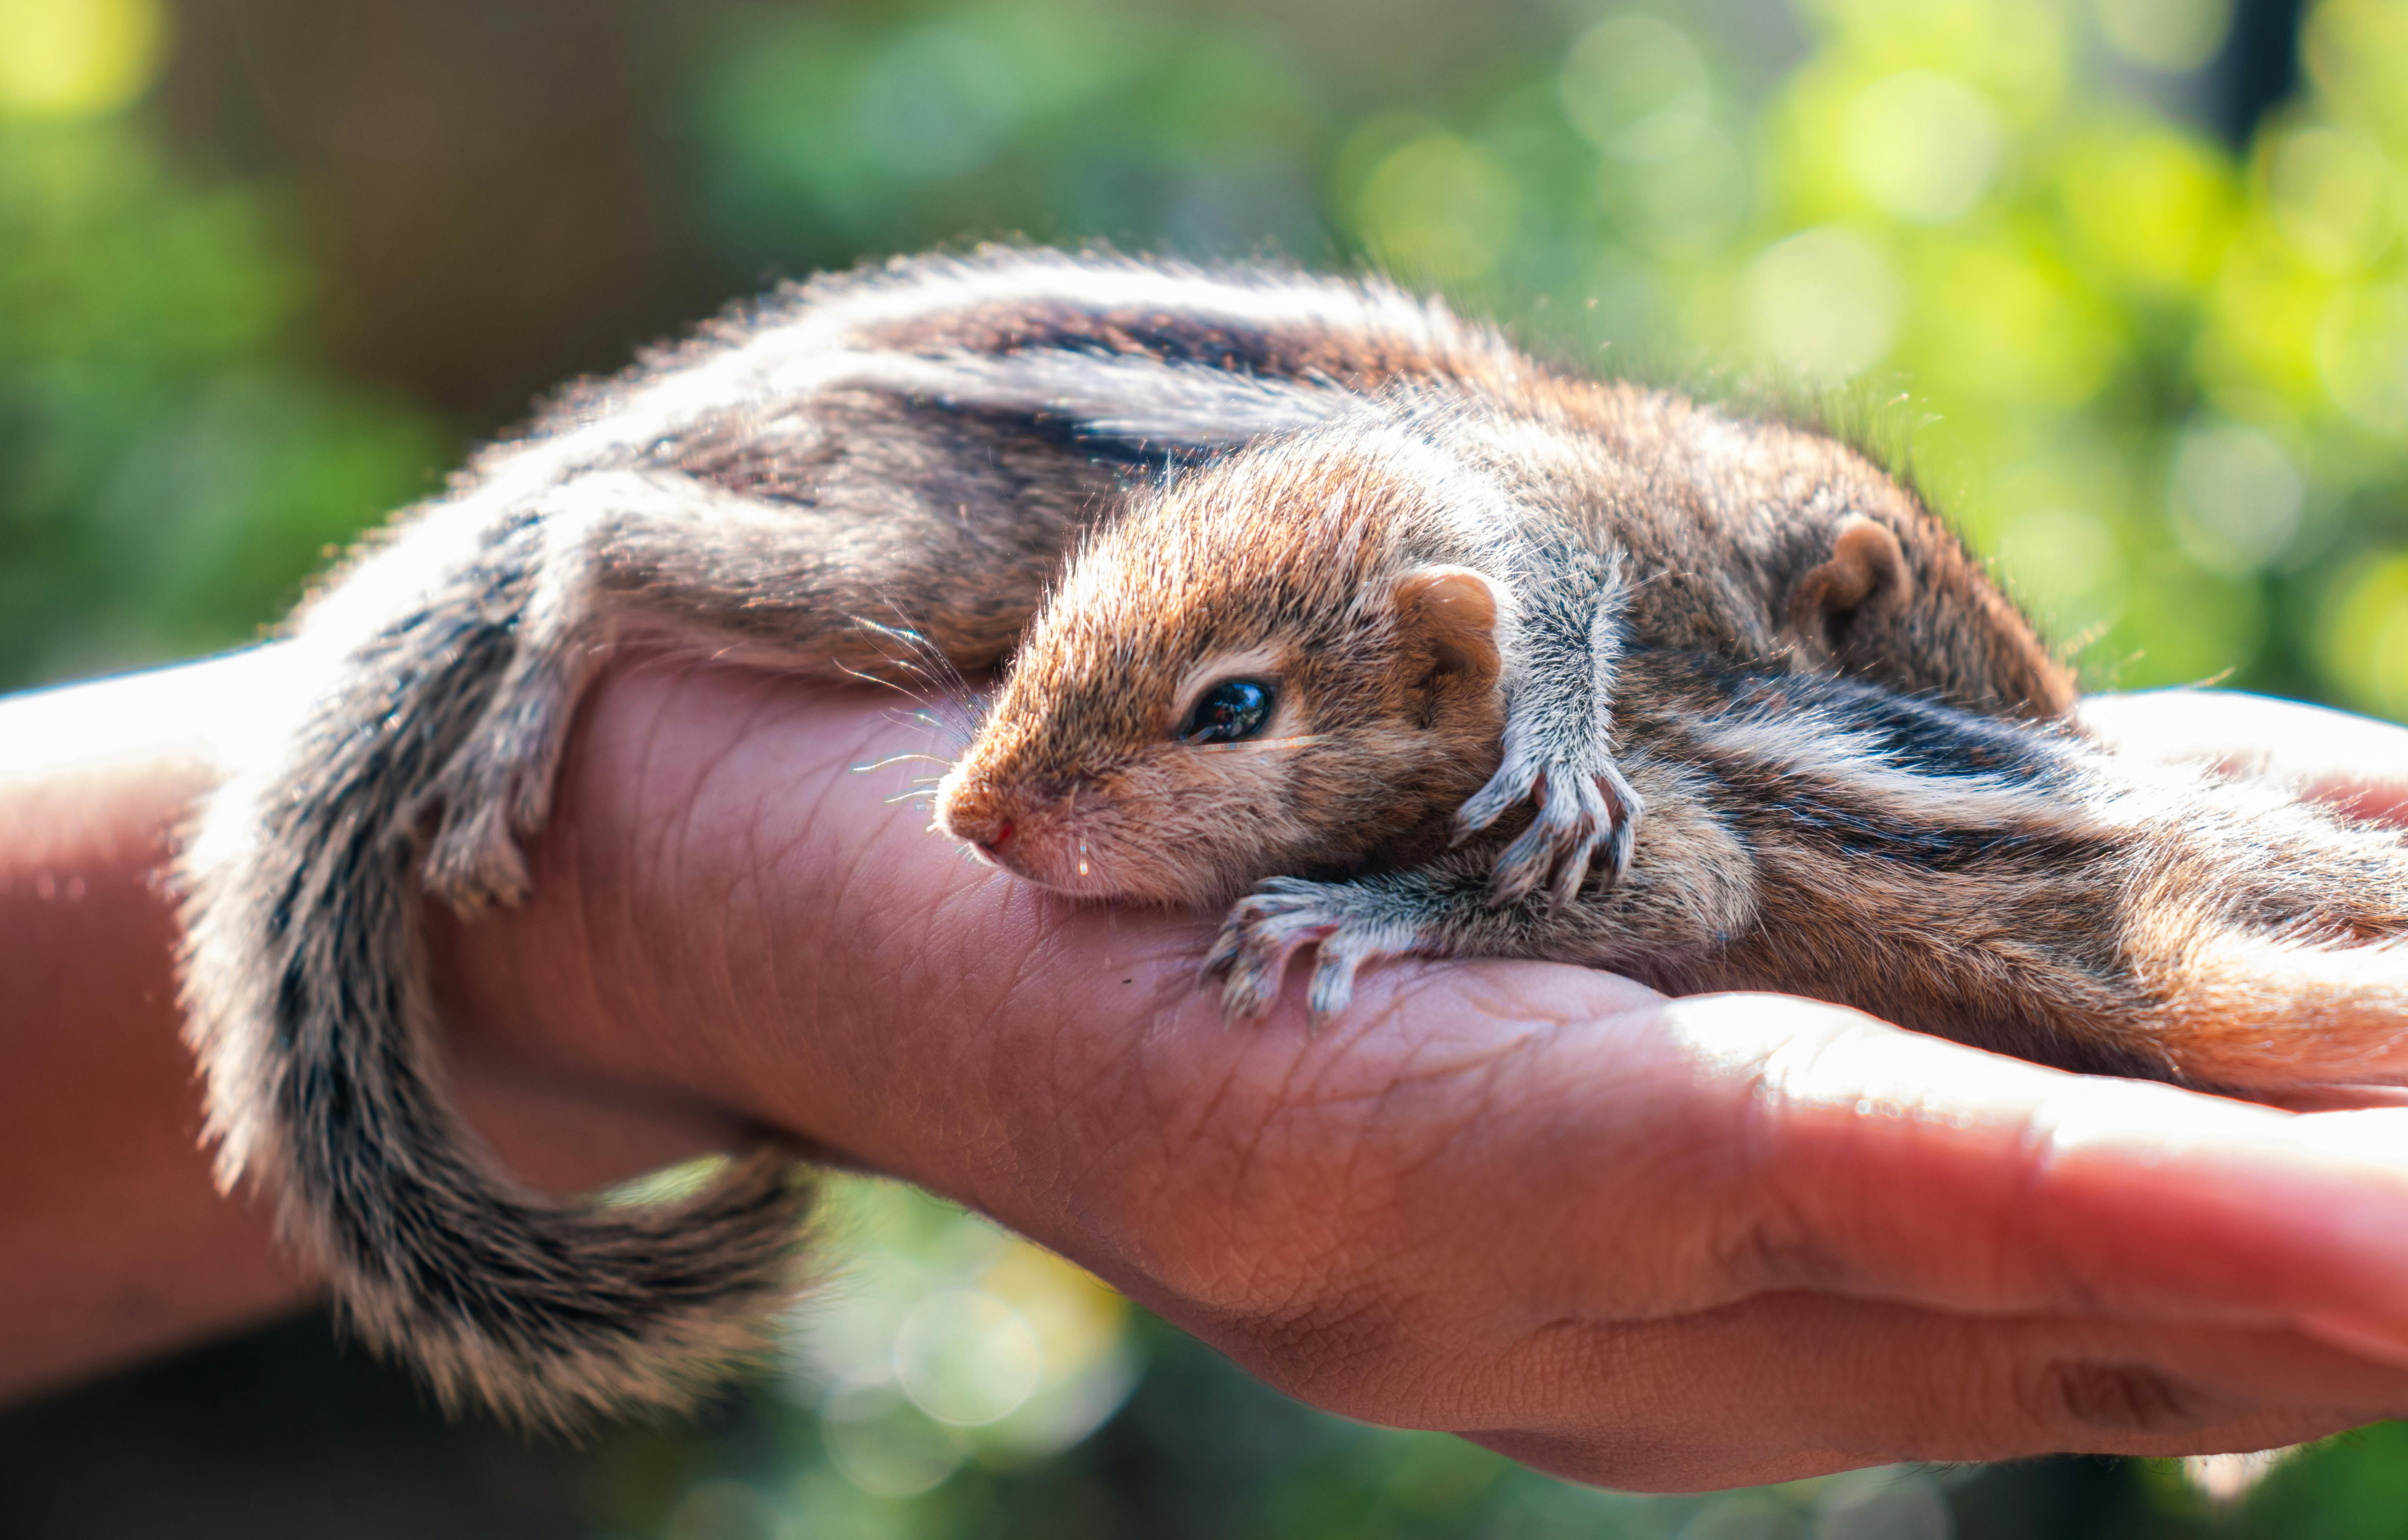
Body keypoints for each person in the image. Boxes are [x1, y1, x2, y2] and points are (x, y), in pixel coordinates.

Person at [8, 645, 2408, 1491]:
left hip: (2064, 910)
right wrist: (694, 901)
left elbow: (1665, 881)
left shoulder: (1534, 784)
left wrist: (1380, 909)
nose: (984, 825)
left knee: (2265, 1014)